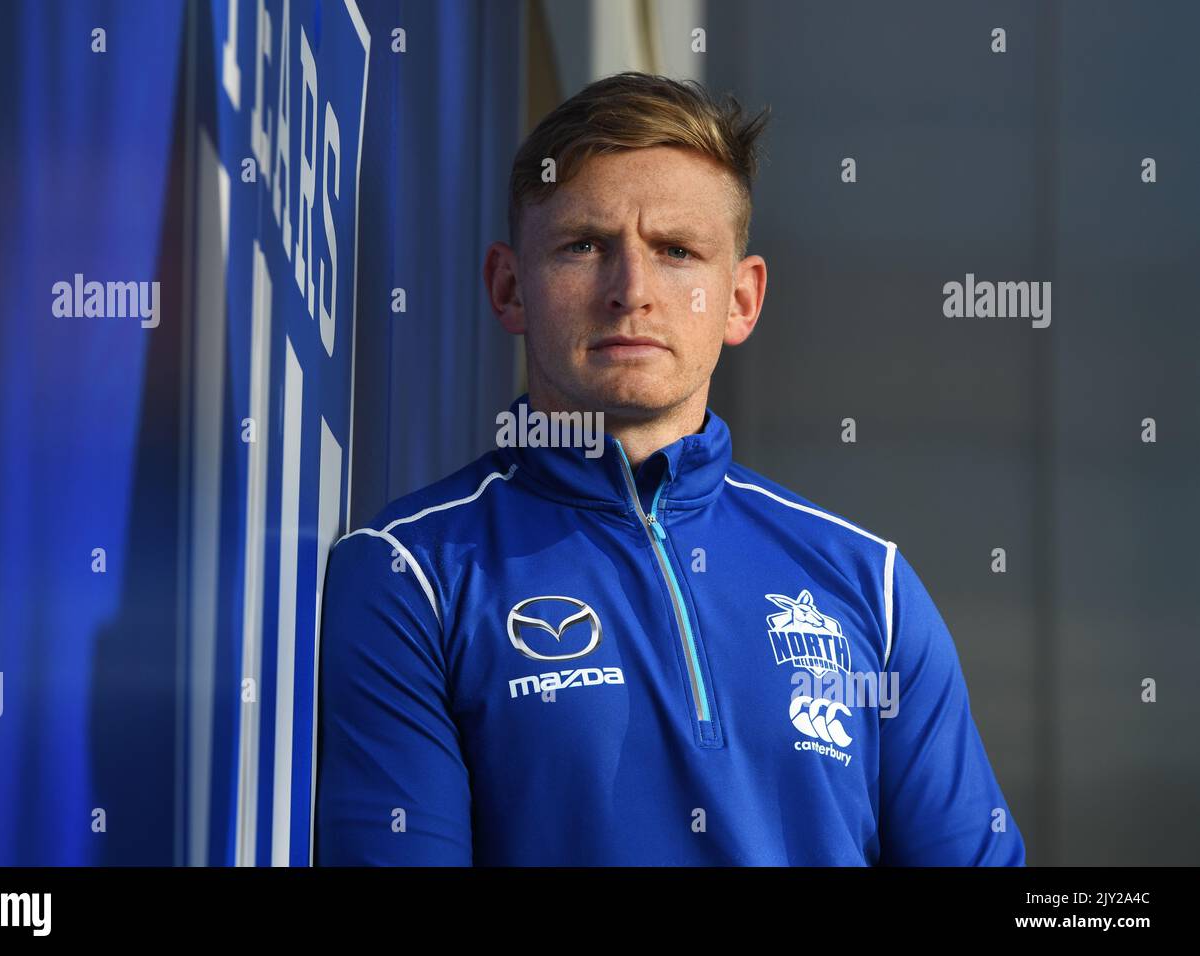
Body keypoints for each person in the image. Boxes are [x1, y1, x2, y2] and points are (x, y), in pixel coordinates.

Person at [315, 71, 1025, 866]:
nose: (633, 292)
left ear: (740, 301)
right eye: (585, 245)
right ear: (510, 288)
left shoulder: (872, 587)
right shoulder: (409, 575)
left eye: (677, 252)